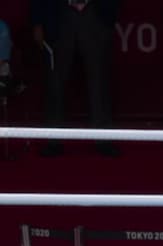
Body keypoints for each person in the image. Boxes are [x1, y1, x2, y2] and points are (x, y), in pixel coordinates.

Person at [30, 0, 121, 157]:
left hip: (95, 13)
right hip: (59, 14)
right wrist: (37, 21)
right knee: (55, 82)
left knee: (99, 82)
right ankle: (53, 139)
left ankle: (104, 138)